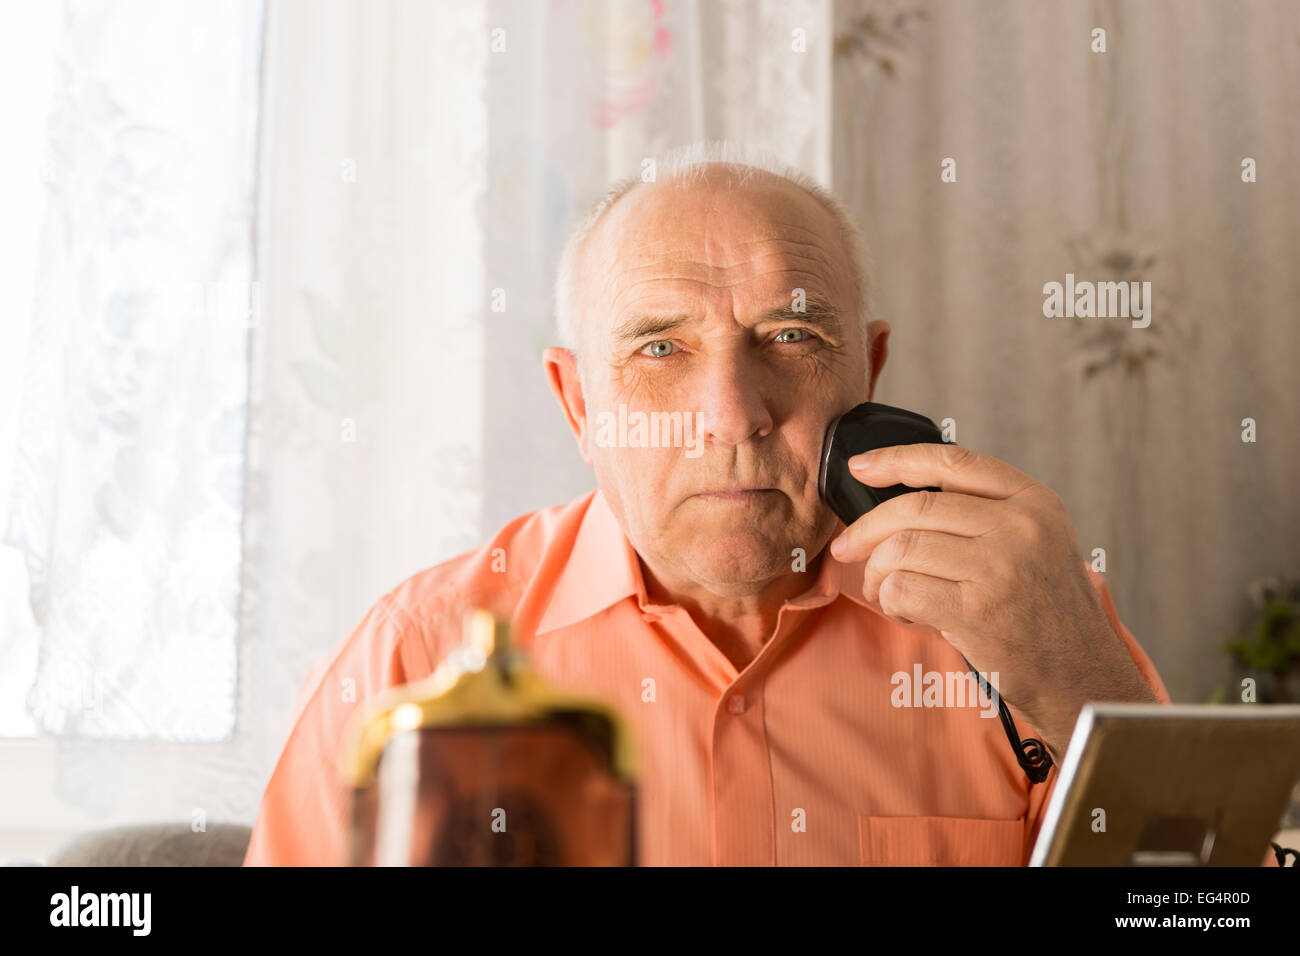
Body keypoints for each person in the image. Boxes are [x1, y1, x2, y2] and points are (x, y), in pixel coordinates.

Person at [243, 141, 1169, 866]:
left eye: (792, 335)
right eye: (658, 349)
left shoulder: (1014, 616)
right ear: (577, 403)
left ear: (869, 375)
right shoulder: (417, 656)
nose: (733, 415)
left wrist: (1088, 688)